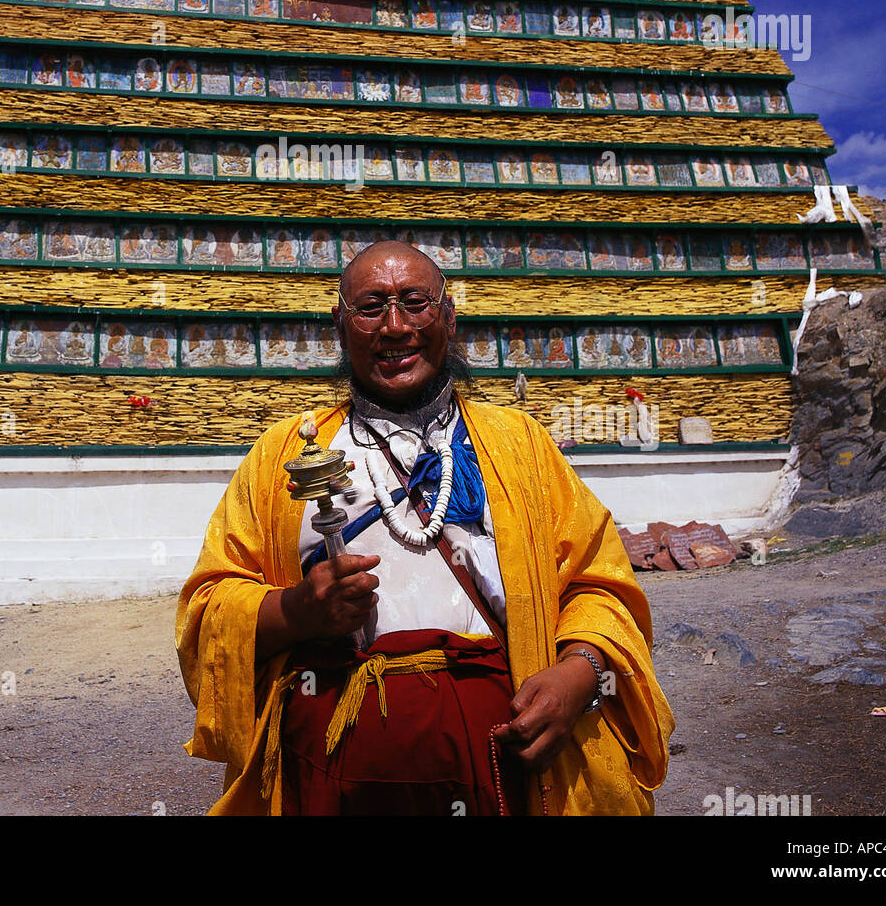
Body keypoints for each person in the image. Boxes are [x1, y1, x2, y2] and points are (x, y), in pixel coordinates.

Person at [176, 240, 673, 815]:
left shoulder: (519, 446)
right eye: (370, 308)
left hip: (502, 765)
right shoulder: (285, 454)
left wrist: (578, 675)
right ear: (340, 324)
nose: (395, 327)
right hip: (330, 770)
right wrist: (297, 612)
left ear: (450, 316)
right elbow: (208, 607)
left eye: (415, 303)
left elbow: (598, 584)